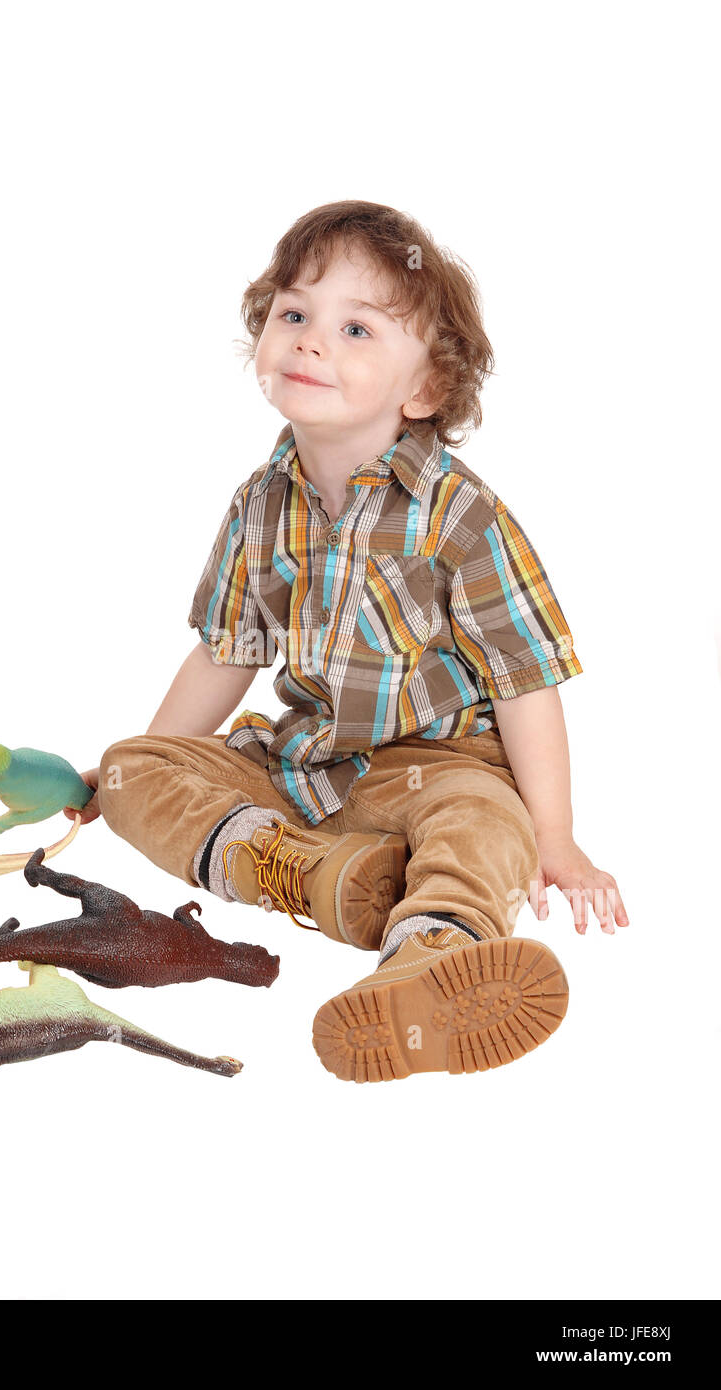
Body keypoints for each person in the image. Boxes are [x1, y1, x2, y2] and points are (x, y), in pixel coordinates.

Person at [72, 199, 628, 1083]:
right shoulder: (261, 503)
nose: (309, 340)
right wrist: (144, 761)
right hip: (306, 767)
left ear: (424, 389)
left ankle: (430, 955)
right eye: (293, 315)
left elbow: (528, 682)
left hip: (443, 766)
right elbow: (228, 653)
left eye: (355, 328)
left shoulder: (458, 516)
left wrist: (556, 840)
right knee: (133, 767)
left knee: (487, 826)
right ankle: (322, 877)